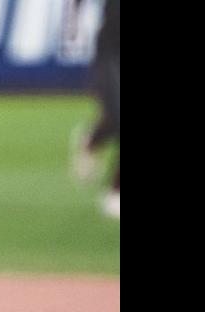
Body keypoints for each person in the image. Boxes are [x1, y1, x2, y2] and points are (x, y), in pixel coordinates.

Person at [70, 0, 120, 219]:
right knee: (116, 115)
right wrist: (73, 23)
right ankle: (93, 141)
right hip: (112, 49)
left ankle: (116, 190)